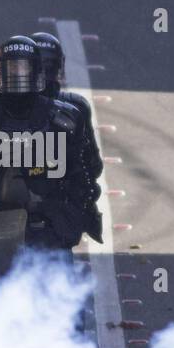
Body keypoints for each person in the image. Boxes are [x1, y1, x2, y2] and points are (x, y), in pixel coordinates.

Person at [0, 37, 95, 252]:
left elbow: (80, 179)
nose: (17, 76)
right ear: (1, 73)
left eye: (23, 69)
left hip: (47, 228)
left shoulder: (63, 121)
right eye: (12, 69)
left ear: (36, 72)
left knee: (59, 282)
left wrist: (71, 222)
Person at [32, 32, 104, 242]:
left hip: (53, 215)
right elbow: (93, 165)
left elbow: (90, 166)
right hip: (14, 213)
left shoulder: (75, 107)